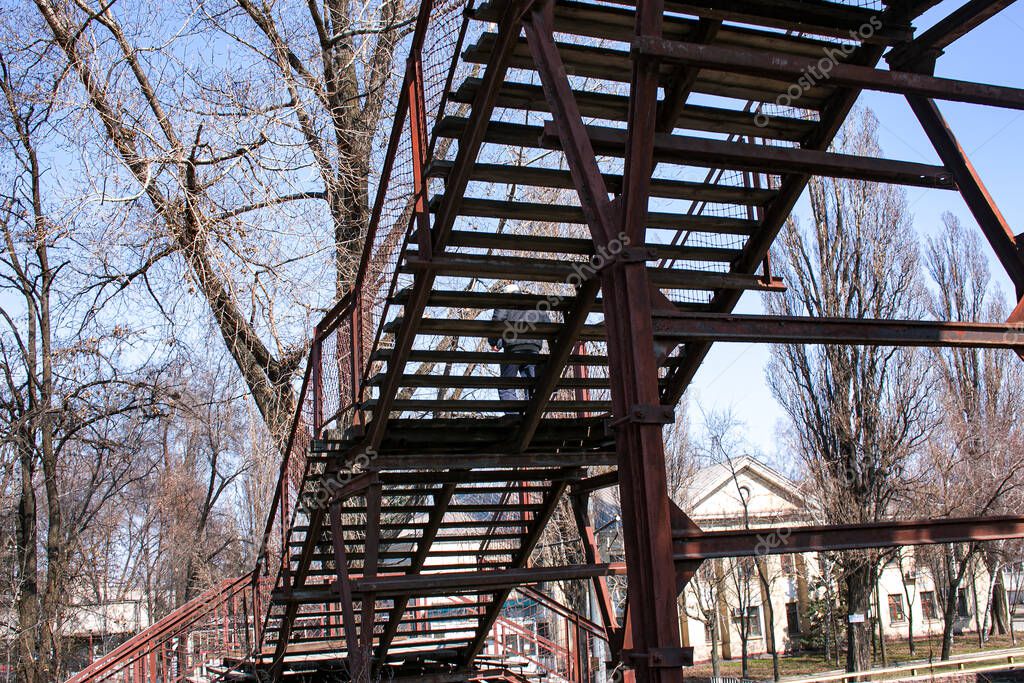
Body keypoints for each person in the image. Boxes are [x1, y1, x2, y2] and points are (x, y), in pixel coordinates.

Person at [487, 283, 552, 406]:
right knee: (532, 385)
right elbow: (549, 325)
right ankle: (530, 412)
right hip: (533, 350)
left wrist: (494, 342)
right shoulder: (534, 304)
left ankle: (514, 414)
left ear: (506, 294)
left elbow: (496, 322)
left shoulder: (505, 303)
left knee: (506, 387)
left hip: (512, 349)